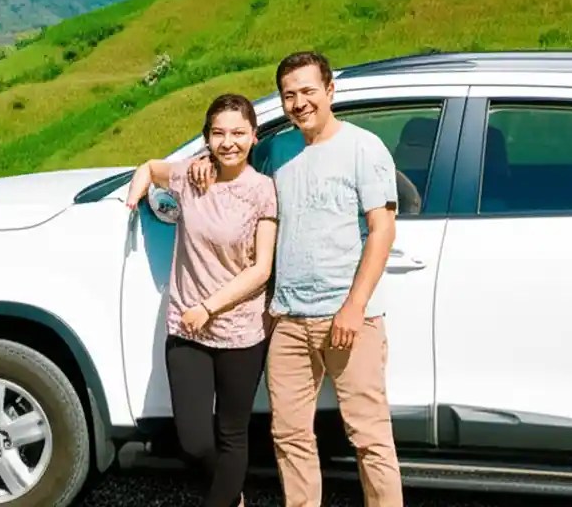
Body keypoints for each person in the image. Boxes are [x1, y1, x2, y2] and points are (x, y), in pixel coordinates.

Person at [189, 51, 404, 507]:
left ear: (330, 90)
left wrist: (353, 306)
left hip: (350, 317)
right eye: (289, 95)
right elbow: (235, 158)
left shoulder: (364, 148)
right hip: (287, 319)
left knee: (369, 436)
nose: (299, 102)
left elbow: (383, 229)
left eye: (309, 91)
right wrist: (204, 161)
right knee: (289, 436)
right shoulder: (277, 150)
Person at [125, 93, 279, 507]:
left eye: (238, 133)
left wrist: (209, 307)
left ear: (254, 135)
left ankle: (228, 499)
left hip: (239, 331)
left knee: (232, 434)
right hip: (186, 329)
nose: (229, 142)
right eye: (219, 133)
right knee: (193, 440)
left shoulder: (263, 190)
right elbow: (153, 168)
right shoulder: (192, 178)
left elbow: (261, 269)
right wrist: (139, 181)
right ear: (207, 138)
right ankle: (233, 495)